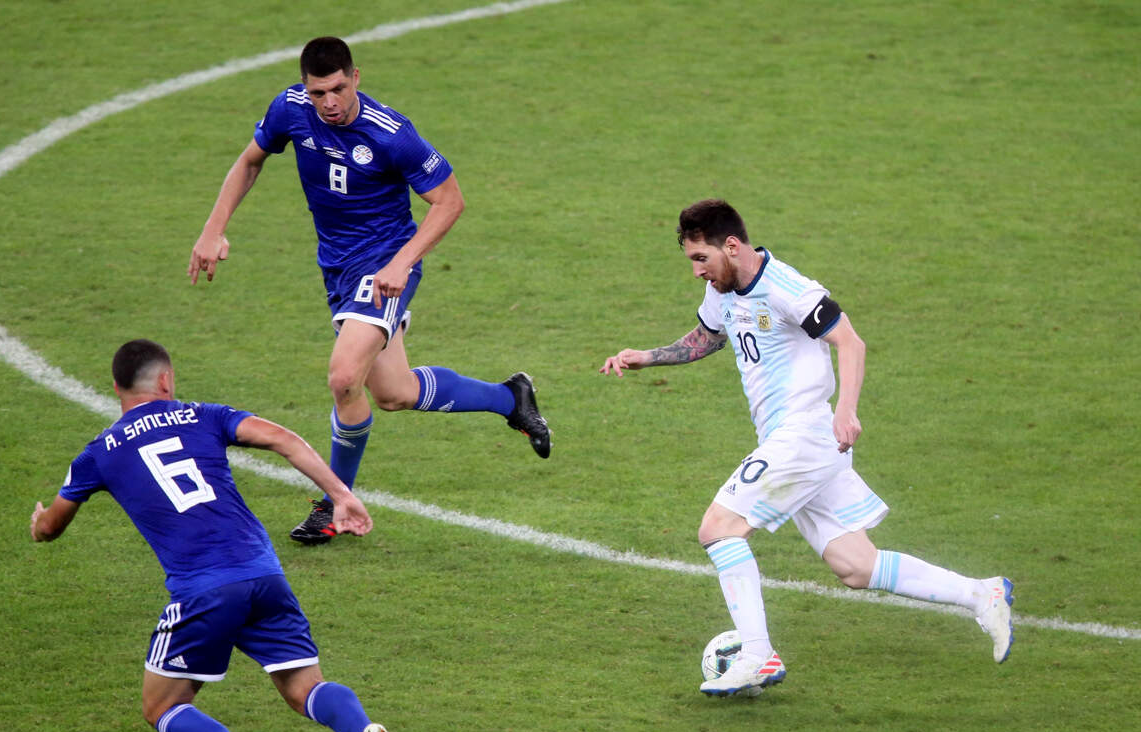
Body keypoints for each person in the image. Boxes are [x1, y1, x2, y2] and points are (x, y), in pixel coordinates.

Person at [600, 199, 1015, 698]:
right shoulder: (722, 288)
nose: (696, 271)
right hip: (794, 441)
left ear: (731, 246)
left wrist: (847, 410)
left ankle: (757, 654)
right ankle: (981, 593)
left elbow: (851, 342)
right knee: (855, 565)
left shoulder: (787, 288)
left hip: (805, 434)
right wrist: (647, 357)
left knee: (718, 528)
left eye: (701, 258)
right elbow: (709, 337)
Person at [188, 36, 551, 545]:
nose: (329, 103)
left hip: (385, 264)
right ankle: (509, 397)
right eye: (318, 93)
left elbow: (450, 201)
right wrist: (213, 228)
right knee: (394, 393)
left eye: (338, 89)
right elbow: (251, 160)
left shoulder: (391, 134)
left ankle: (334, 503)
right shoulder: (290, 109)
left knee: (343, 378)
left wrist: (403, 262)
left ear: (355, 77)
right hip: (336, 267)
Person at [30, 339, 411, 732]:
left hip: (203, 590)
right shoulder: (203, 415)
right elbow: (284, 440)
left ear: (116, 388)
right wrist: (340, 495)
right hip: (265, 576)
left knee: (162, 706)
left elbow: (52, 527)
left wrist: (39, 524)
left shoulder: (99, 453)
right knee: (305, 689)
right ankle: (364, 731)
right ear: (166, 380)